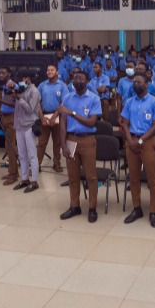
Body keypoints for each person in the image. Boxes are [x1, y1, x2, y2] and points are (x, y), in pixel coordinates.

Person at [120, 73, 155, 227]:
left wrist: (140, 140)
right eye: (134, 82)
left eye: (139, 82)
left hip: (147, 142)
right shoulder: (129, 102)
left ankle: (153, 212)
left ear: (146, 84)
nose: (136, 84)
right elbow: (125, 123)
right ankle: (137, 208)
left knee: (152, 178)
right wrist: (130, 141)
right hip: (131, 141)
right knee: (133, 177)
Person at [58, 70, 102, 222]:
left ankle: (92, 208)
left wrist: (72, 113)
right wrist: (63, 144)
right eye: (75, 78)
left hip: (87, 140)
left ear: (87, 81)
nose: (77, 80)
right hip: (71, 139)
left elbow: (91, 122)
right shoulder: (67, 97)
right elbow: (63, 123)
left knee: (91, 176)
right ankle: (74, 206)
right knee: (72, 176)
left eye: (81, 78)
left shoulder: (94, 99)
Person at [10, 71, 41, 193]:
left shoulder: (34, 91)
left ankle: (34, 181)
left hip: (29, 125)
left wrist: (19, 98)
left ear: (28, 78)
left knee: (32, 154)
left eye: (22, 79)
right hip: (19, 125)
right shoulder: (21, 90)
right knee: (22, 154)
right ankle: (24, 179)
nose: (20, 82)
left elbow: (30, 109)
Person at [37, 65, 69, 173]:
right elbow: (37, 103)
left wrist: (54, 117)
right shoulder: (42, 85)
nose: (50, 72)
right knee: (42, 142)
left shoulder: (62, 86)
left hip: (58, 116)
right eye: (48, 70)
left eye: (52, 70)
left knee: (57, 142)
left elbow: (63, 104)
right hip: (44, 117)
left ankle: (57, 164)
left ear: (57, 72)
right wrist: (42, 118)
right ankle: (37, 165)